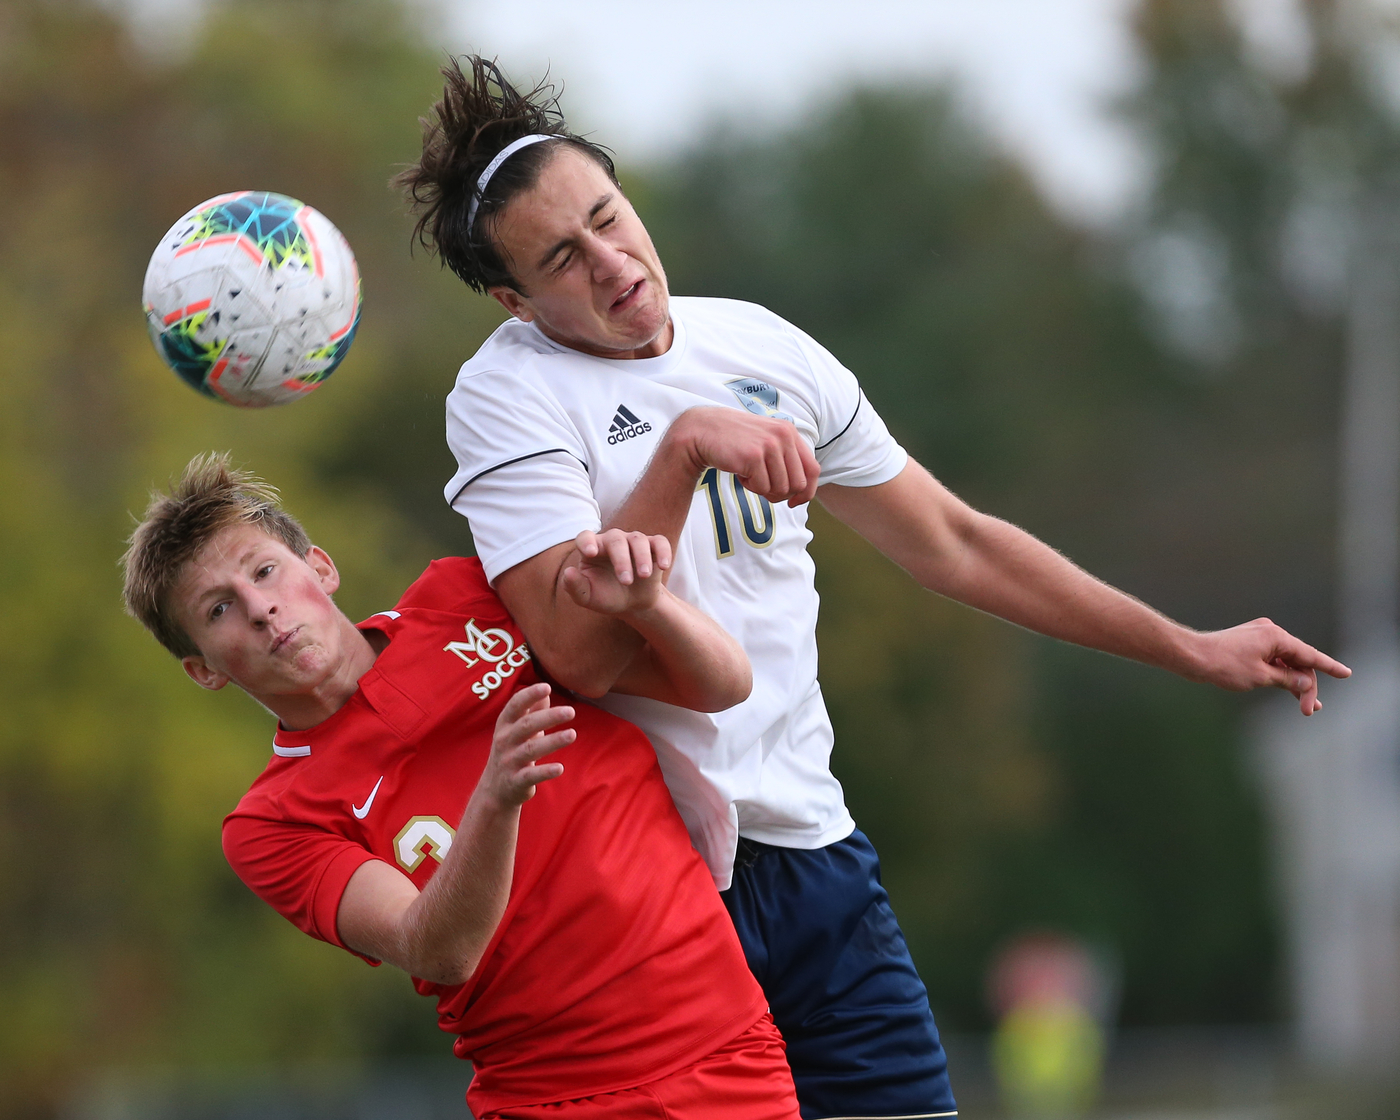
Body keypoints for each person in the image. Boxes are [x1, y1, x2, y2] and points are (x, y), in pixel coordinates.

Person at [398, 58, 1352, 1120]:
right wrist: (680, 455)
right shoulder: (504, 394)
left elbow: (952, 541)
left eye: (609, 219)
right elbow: (575, 652)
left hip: (814, 856)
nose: (610, 261)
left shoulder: (759, 345)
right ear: (513, 300)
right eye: (561, 259)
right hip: (656, 889)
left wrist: (1189, 644)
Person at [119, 453, 802, 1120]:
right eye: (219, 611)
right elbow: (438, 950)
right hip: (549, 1096)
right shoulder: (271, 822)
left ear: (320, 568)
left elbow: (719, 687)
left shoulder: (465, 595)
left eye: (266, 571)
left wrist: (651, 606)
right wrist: (495, 799)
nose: (262, 609)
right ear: (203, 670)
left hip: (725, 1051)